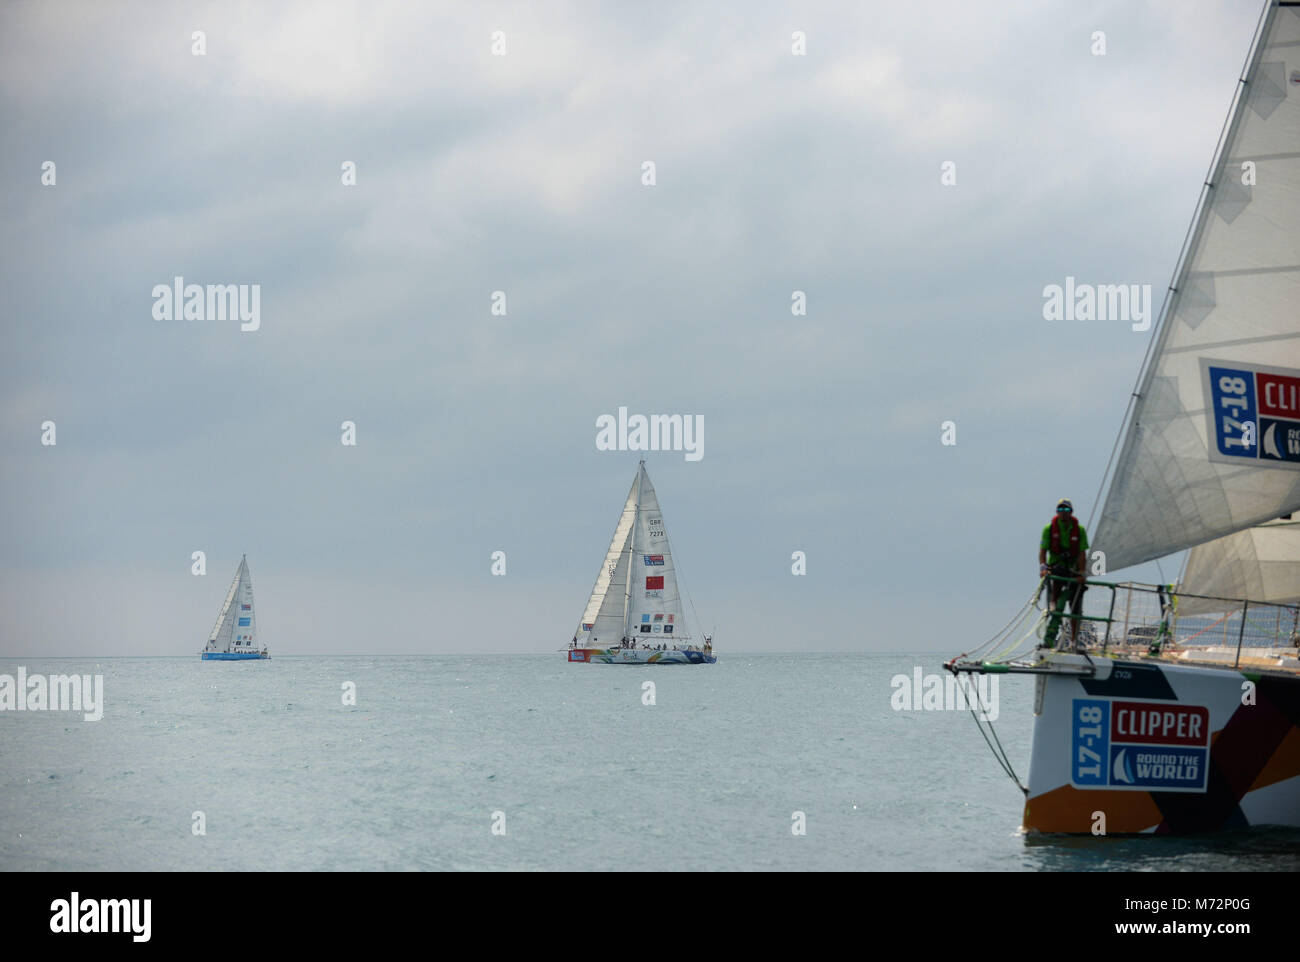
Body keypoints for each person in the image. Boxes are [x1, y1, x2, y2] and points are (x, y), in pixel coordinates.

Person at [1039, 498, 1088, 649]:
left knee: (1075, 605)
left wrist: (1081, 572)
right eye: (1060, 510)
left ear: (1071, 512)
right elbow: (1043, 551)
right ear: (1057, 512)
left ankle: (1073, 640)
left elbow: (1081, 553)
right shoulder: (1049, 528)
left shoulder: (1079, 530)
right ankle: (1053, 601)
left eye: (1066, 510)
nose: (1063, 513)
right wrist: (1043, 568)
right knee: (1058, 573)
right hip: (1056, 565)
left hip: (1072, 568)